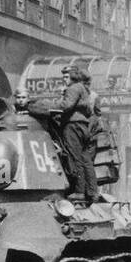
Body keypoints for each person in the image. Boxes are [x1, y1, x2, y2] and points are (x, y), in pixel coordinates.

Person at [28, 65, 100, 202]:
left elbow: (65, 106)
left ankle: (79, 192)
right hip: (83, 126)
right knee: (86, 160)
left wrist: (47, 106)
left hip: (72, 125)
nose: (64, 80)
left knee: (75, 158)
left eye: (66, 77)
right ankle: (92, 191)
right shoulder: (84, 89)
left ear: (73, 76)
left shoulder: (73, 88)